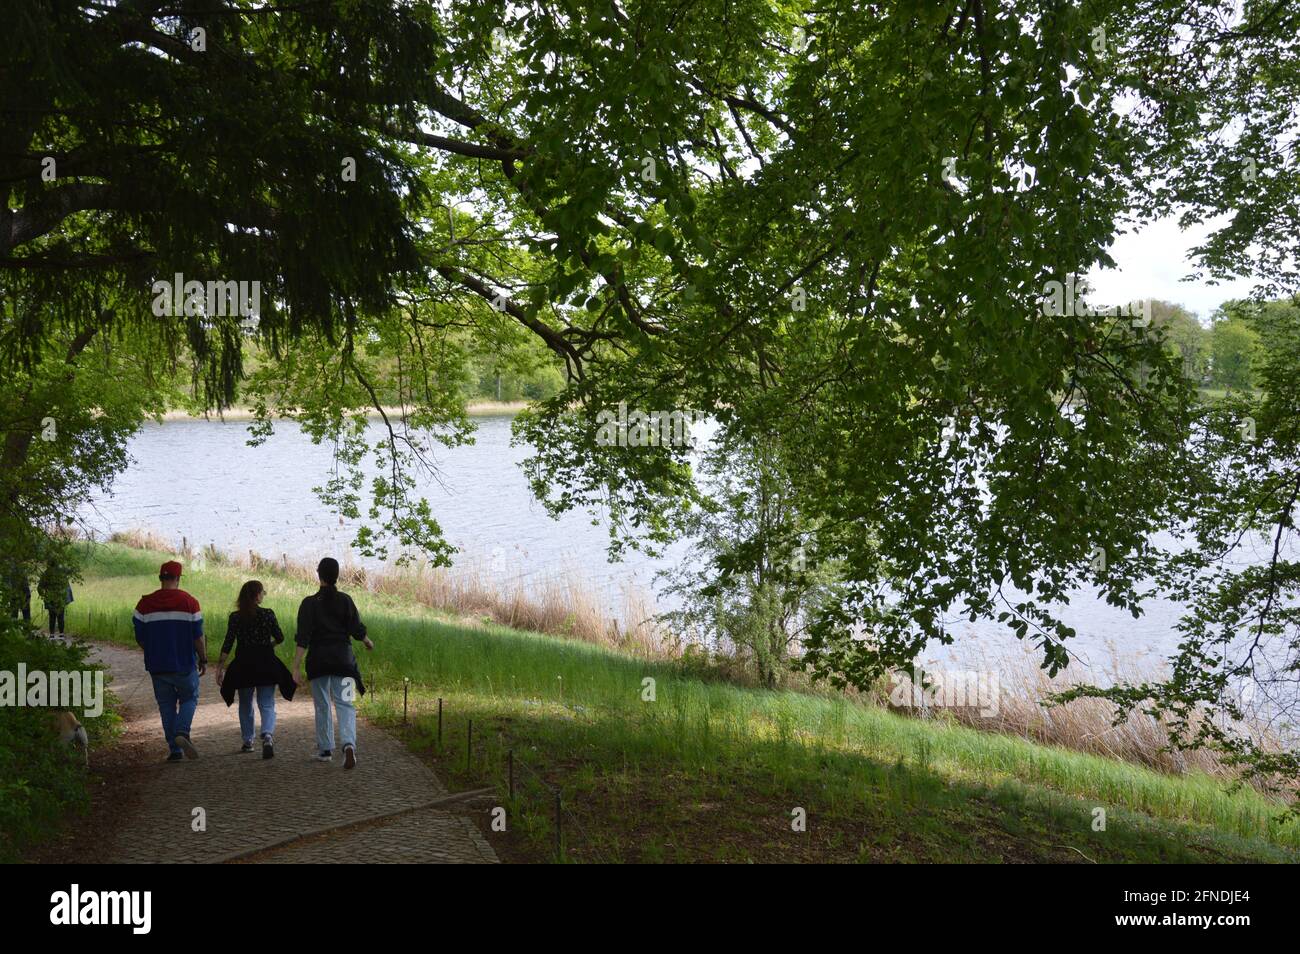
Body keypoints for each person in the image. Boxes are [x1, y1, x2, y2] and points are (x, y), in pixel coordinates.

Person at [294, 558, 373, 769]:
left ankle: (325, 749)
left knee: (322, 705)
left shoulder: (308, 604)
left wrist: (295, 667)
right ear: (337, 575)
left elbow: (303, 637)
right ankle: (349, 745)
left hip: (318, 663)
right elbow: (356, 628)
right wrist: (367, 641)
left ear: (318, 574)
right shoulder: (345, 600)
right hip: (344, 662)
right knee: (346, 704)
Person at [133, 560, 206, 762]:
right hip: (184, 664)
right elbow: (198, 637)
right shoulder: (190, 602)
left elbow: (139, 637)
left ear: (160, 578)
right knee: (189, 698)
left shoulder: (144, 604)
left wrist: (152, 651)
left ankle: (174, 750)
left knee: (166, 705)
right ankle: (182, 732)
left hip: (157, 666)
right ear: (177, 578)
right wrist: (204, 658)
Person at [215, 580, 295, 759]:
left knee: (245, 703)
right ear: (257, 595)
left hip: (243, 664)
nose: (263, 595)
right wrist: (268, 646)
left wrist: (220, 666)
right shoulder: (268, 614)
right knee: (266, 703)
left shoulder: (236, 617)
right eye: (262, 592)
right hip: (266, 662)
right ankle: (267, 735)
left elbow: (228, 642)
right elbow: (280, 637)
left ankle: (248, 741)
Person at [38, 557, 74, 635]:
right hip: (61, 598)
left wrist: (44, 596)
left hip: (50, 598)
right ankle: (61, 634)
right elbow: (71, 571)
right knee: (61, 617)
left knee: (52, 617)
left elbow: (40, 587)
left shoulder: (46, 573)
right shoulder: (62, 572)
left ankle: (52, 635)